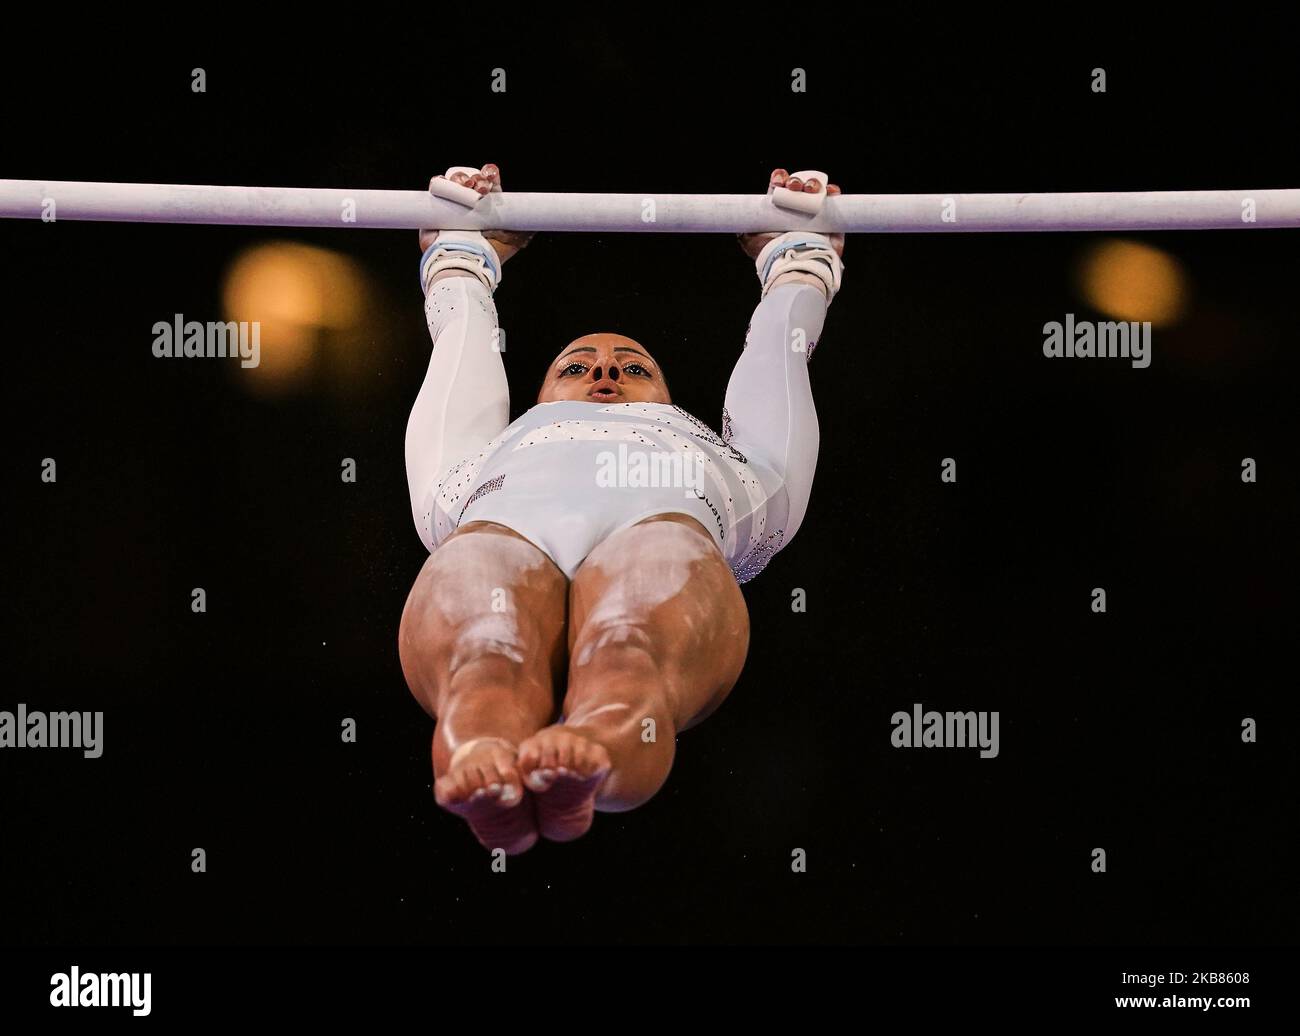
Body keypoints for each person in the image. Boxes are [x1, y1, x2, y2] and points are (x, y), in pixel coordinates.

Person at [399, 164, 845, 854]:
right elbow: (462, 349)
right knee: (488, 651)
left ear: (669, 400)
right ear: (539, 396)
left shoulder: (717, 457)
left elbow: (779, 359)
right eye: (576, 366)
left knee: (627, 646)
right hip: (504, 527)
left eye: (633, 367)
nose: (605, 371)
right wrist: (462, 256)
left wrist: (795, 259)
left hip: (662, 530)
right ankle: (483, 748)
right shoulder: (490, 454)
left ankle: (590, 750)